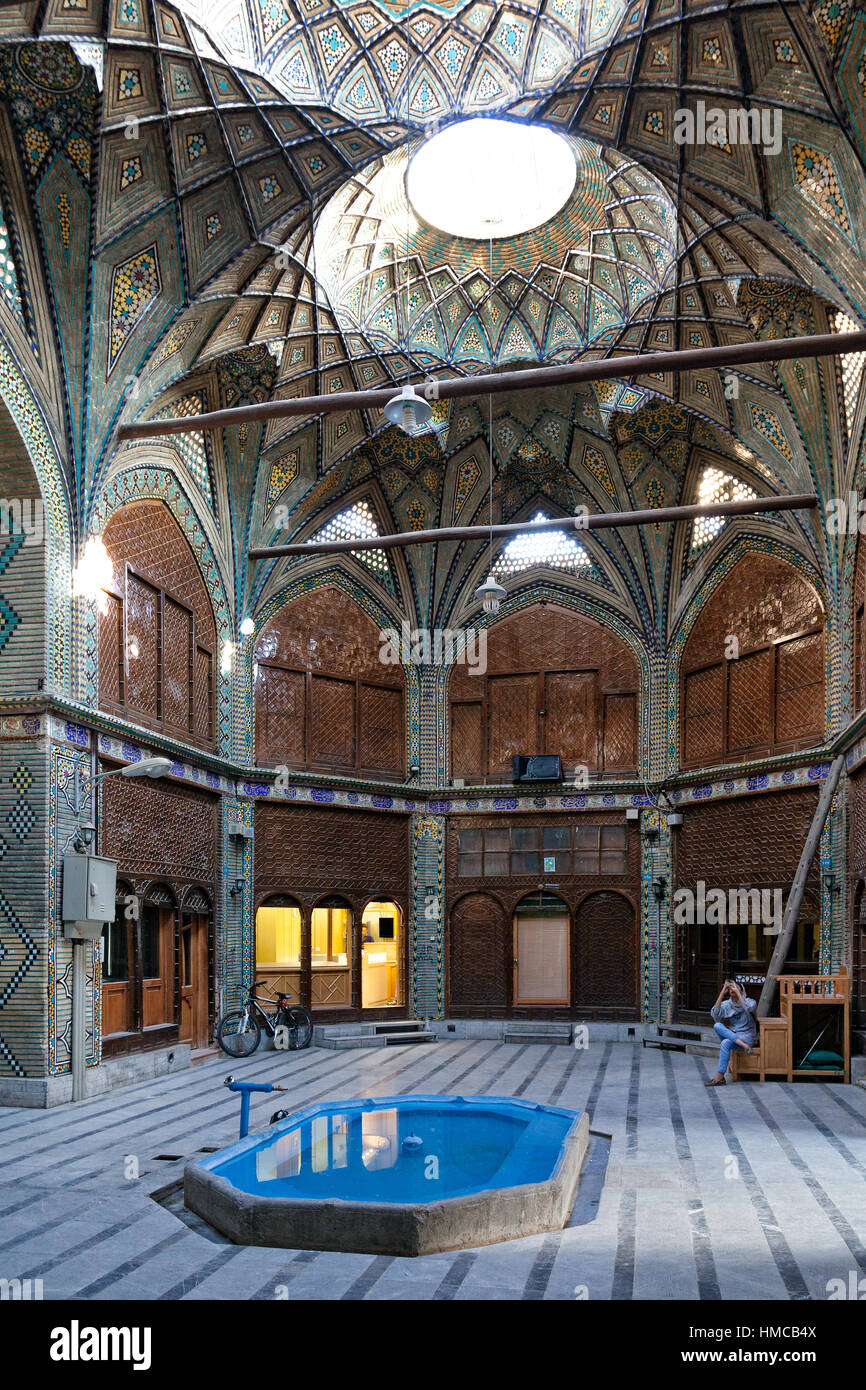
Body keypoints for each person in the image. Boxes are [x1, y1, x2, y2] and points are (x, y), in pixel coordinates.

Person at [705, 979, 757, 1086]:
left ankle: (719, 1078)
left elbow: (749, 1008)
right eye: (730, 988)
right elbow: (715, 1015)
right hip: (737, 1039)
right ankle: (720, 1077)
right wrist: (722, 991)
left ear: (742, 992)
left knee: (725, 1042)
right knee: (717, 1026)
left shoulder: (750, 1001)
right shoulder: (727, 1004)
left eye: (736, 987)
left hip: (747, 1037)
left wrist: (738, 993)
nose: (732, 989)